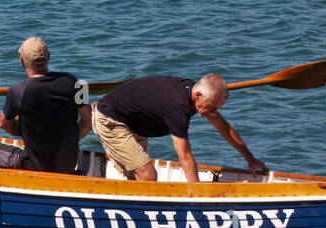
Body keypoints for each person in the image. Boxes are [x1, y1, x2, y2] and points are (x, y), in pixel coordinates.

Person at [91, 74, 266, 182]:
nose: (213, 112)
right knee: (147, 175)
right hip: (112, 120)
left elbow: (224, 128)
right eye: (211, 107)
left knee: (139, 177)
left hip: (136, 122)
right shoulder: (177, 107)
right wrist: (196, 195)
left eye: (217, 109)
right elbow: (185, 156)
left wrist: (250, 159)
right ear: (197, 95)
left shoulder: (197, 95)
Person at [0, 37, 92, 174]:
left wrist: (26, 134)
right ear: (48, 57)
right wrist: (71, 138)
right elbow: (88, 120)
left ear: (21, 61)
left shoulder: (17, 91)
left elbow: (3, 124)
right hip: (69, 164)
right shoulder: (75, 82)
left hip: (33, 165)